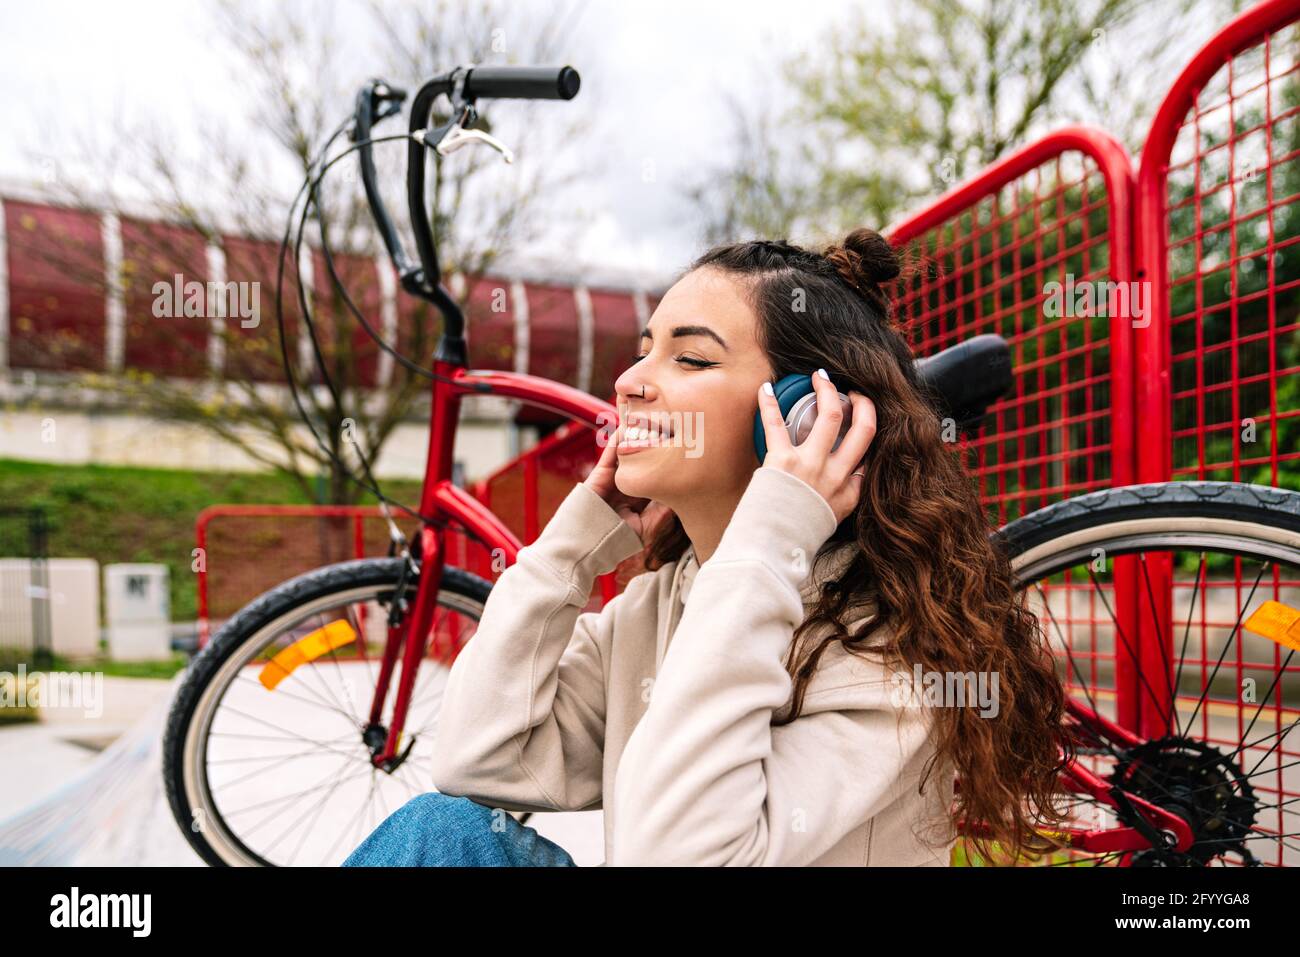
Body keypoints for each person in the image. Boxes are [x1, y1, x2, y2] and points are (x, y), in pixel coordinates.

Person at [342, 228, 1071, 868]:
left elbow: (678, 854)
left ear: (806, 413)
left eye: (689, 360)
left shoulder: (889, 647)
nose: (629, 383)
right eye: (642, 353)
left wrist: (776, 531)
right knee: (442, 831)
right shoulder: (662, 605)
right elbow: (478, 757)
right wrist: (572, 544)